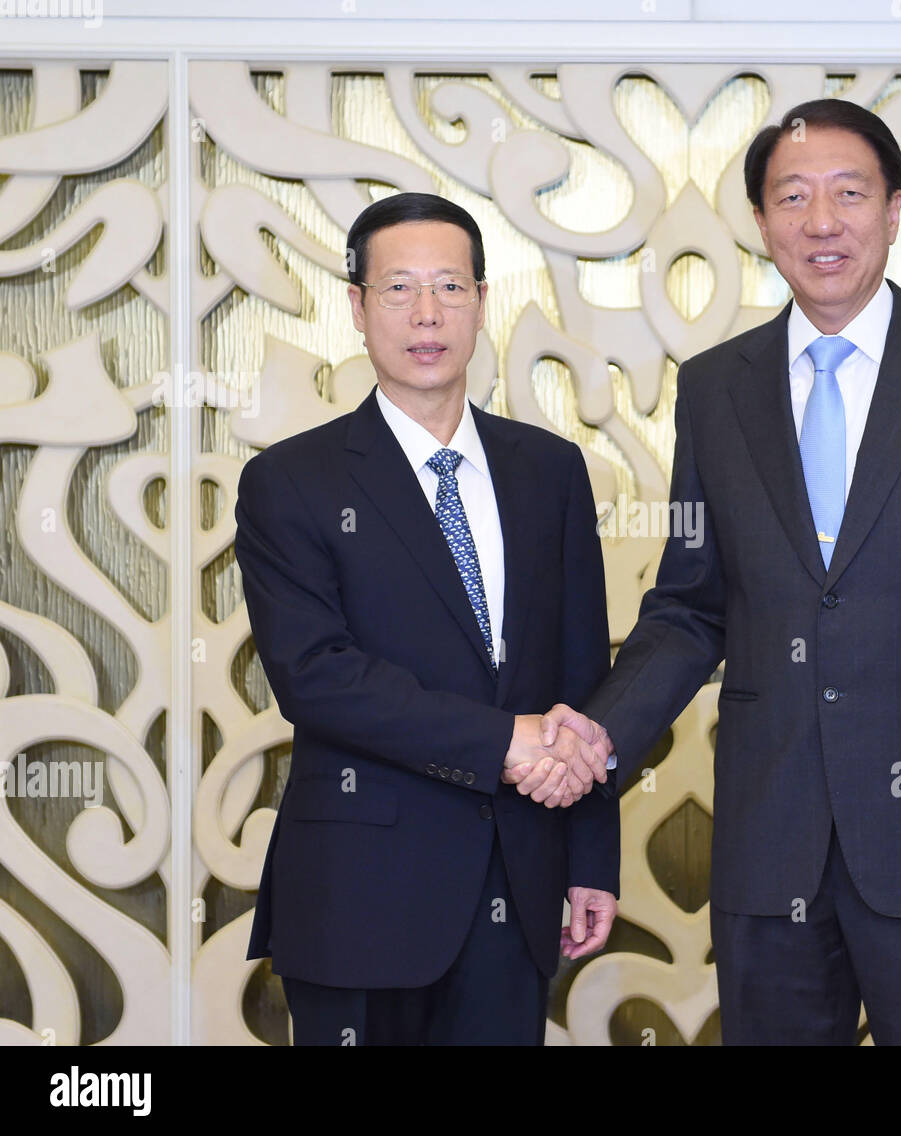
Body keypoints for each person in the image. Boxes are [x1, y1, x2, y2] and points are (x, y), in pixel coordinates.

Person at [542, 99, 901, 1045]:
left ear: (894, 208)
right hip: (770, 827)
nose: (821, 221)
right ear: (761, 223)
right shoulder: (715, 388)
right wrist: (594, 737)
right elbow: (689, 606)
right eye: (793, 197)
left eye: (848, 193)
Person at [234, 192, 618, 1046]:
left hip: (518, 884)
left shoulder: (549, 472)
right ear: (358, 307)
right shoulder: (293, 482)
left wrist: (592, 859)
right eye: (399, 288)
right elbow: (317, 677)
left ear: (482, 301)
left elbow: (581, 679)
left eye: (449, 286)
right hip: (358, 895)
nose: (426, 312)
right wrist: (505, 742)